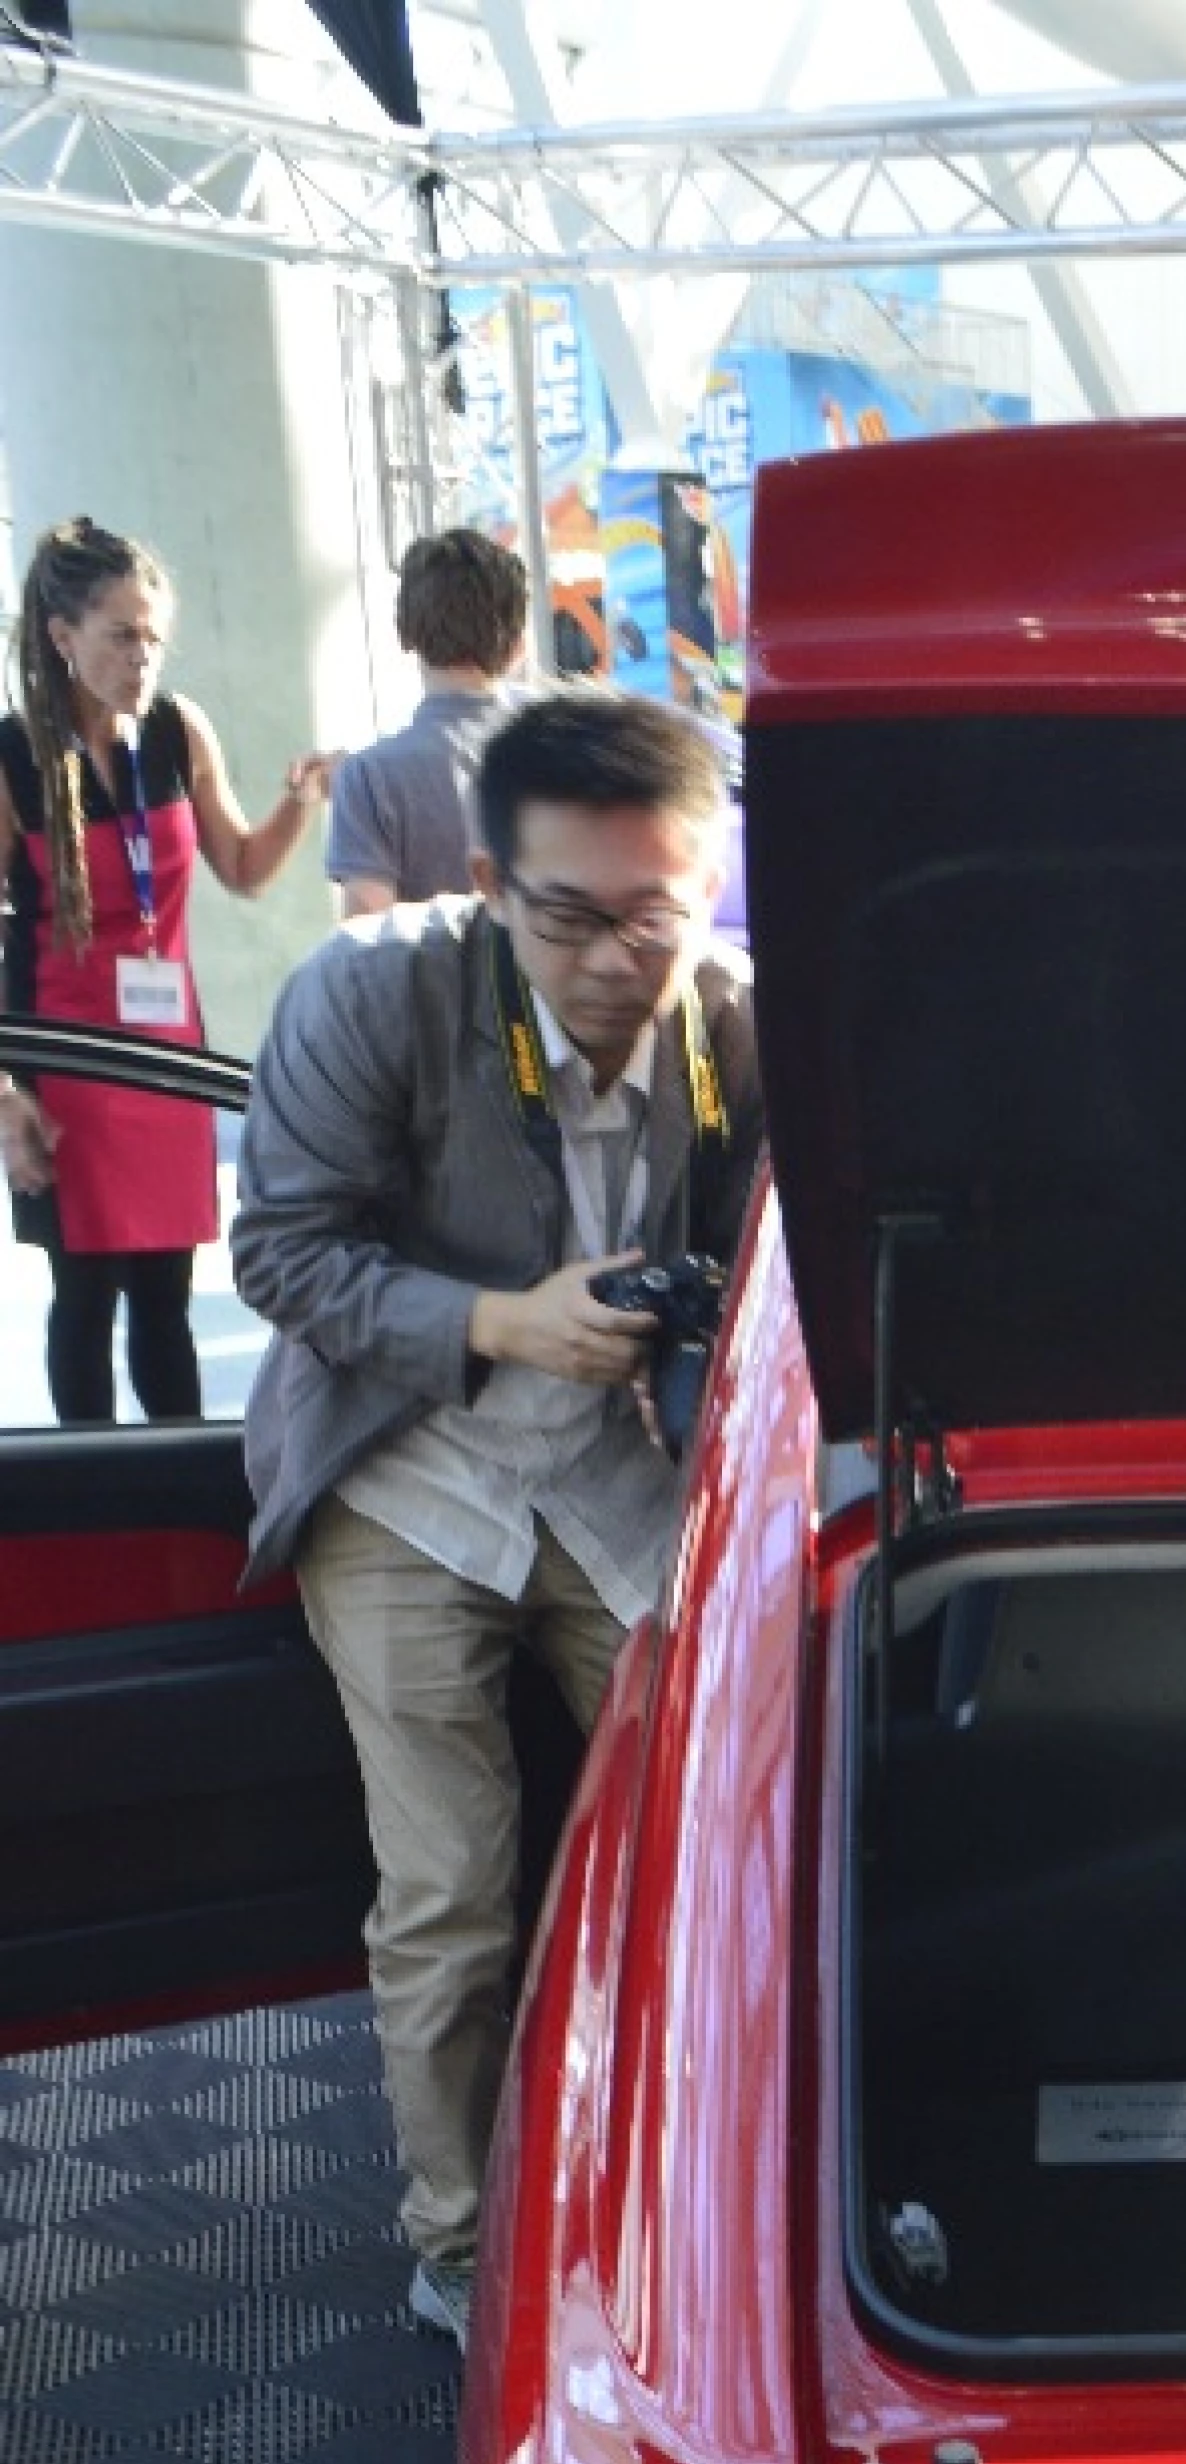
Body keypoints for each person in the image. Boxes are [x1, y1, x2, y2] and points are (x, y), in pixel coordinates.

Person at [230, 687, 761, 2354]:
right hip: (408, 1467)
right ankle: (459, 2257)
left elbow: (784, 1267)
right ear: (487, 876)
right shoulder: (373, 995)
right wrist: (501, 1320)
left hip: (611, 1474)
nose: (619, 957)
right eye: (575, 916)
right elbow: (281, 1258)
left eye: (655, 912)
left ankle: (691, 2210)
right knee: (456, 1889)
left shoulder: (730, 1015)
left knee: (715, 1857)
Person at [0, 516, 335, 1426]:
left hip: (167, 1059)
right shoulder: (12, 760)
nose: (143, 656)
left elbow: (243, 868)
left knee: (167, 1303)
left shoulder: (177, 731)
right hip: (67, 1065)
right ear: (63, 639)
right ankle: (89, 1510)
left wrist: (297, 803)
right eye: (122, 635)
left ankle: (184, 1505)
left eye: (153, 636)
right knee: (85, 1299)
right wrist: (5, 1094)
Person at [326, 525, 533, 916]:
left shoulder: (369, 777)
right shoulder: (564, 745)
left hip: (432, 976)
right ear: (518, 645)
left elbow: (366, 938)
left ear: (404, 632)